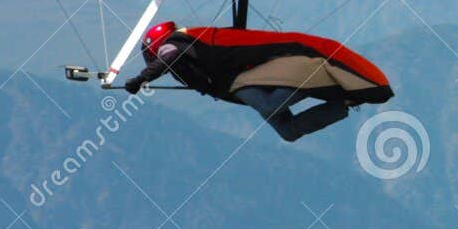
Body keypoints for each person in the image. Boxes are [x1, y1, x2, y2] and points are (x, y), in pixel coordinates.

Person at [122, 21, 393, 142]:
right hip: (237, 86)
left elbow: (170, 57)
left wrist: (139, 80)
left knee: (271, 107)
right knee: (288, 133)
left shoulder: (173, 43)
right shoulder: (182, 50)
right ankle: (339, 104)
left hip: (243, 80)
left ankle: (309, 80)